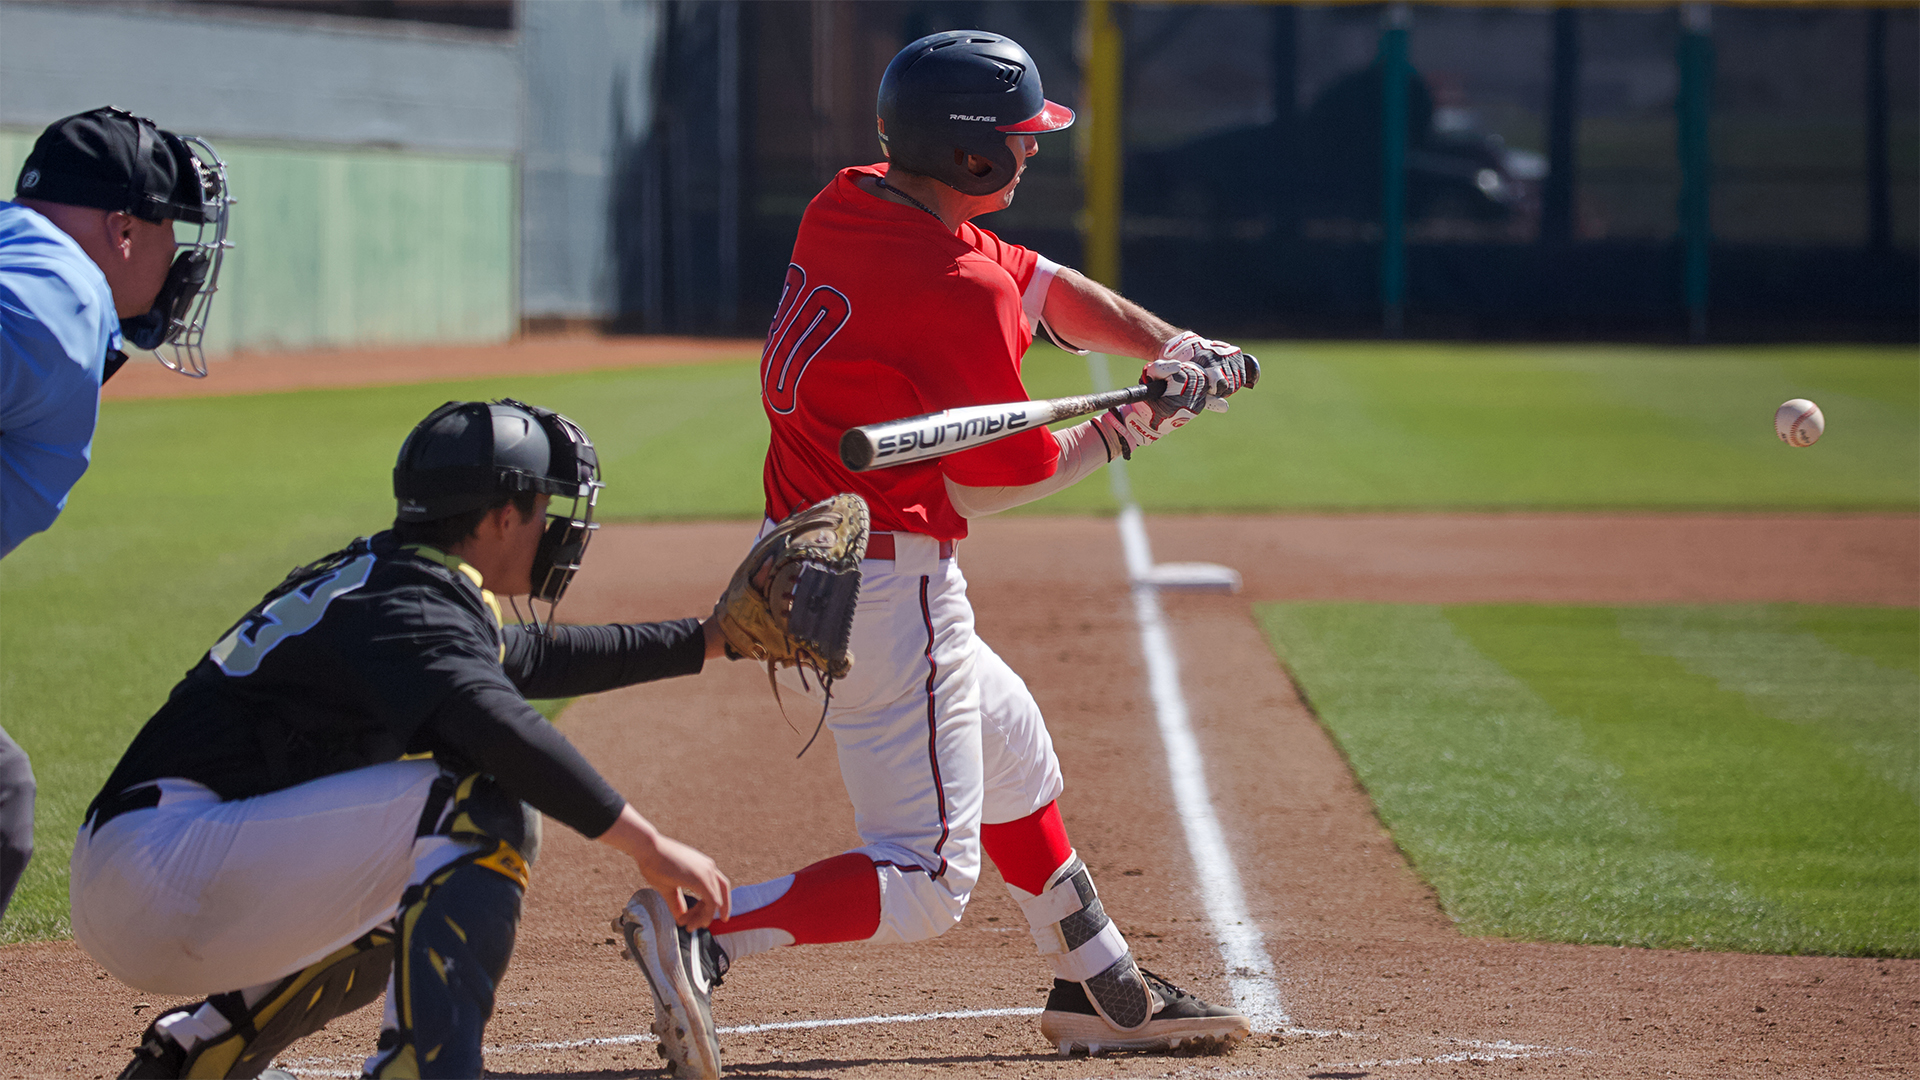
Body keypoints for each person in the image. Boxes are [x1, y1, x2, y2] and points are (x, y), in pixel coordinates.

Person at [615, 30, 1258, 1078]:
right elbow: (989, 479)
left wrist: (1167, 349)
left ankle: (1101, 986)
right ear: (970, 155)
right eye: (1019, 136)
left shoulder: (854, 199)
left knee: (1016, 753)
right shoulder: (960, 290)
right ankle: (704, 937)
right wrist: (1129, 428)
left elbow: (1041, 282)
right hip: (884, 576)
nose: (1033, 151)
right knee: (923, 882)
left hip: (811, 548)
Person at [73, 399, 735, 1079]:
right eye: (543, 510)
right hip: (167, 867)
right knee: (480, 799)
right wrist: (648, 846)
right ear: (502, 517)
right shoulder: (415, 612)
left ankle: (198, 1054)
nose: (553, 529)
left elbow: (532, 659)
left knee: (420, 876)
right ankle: (422, 1070)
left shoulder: (395, 580)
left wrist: (715, 640)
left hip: (154, 866)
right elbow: (503, 730)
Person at [0, 106, 232, 927]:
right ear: (124, 229)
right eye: (175, 233)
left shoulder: (26, 262)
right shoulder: (51, 296)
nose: (183, 262)